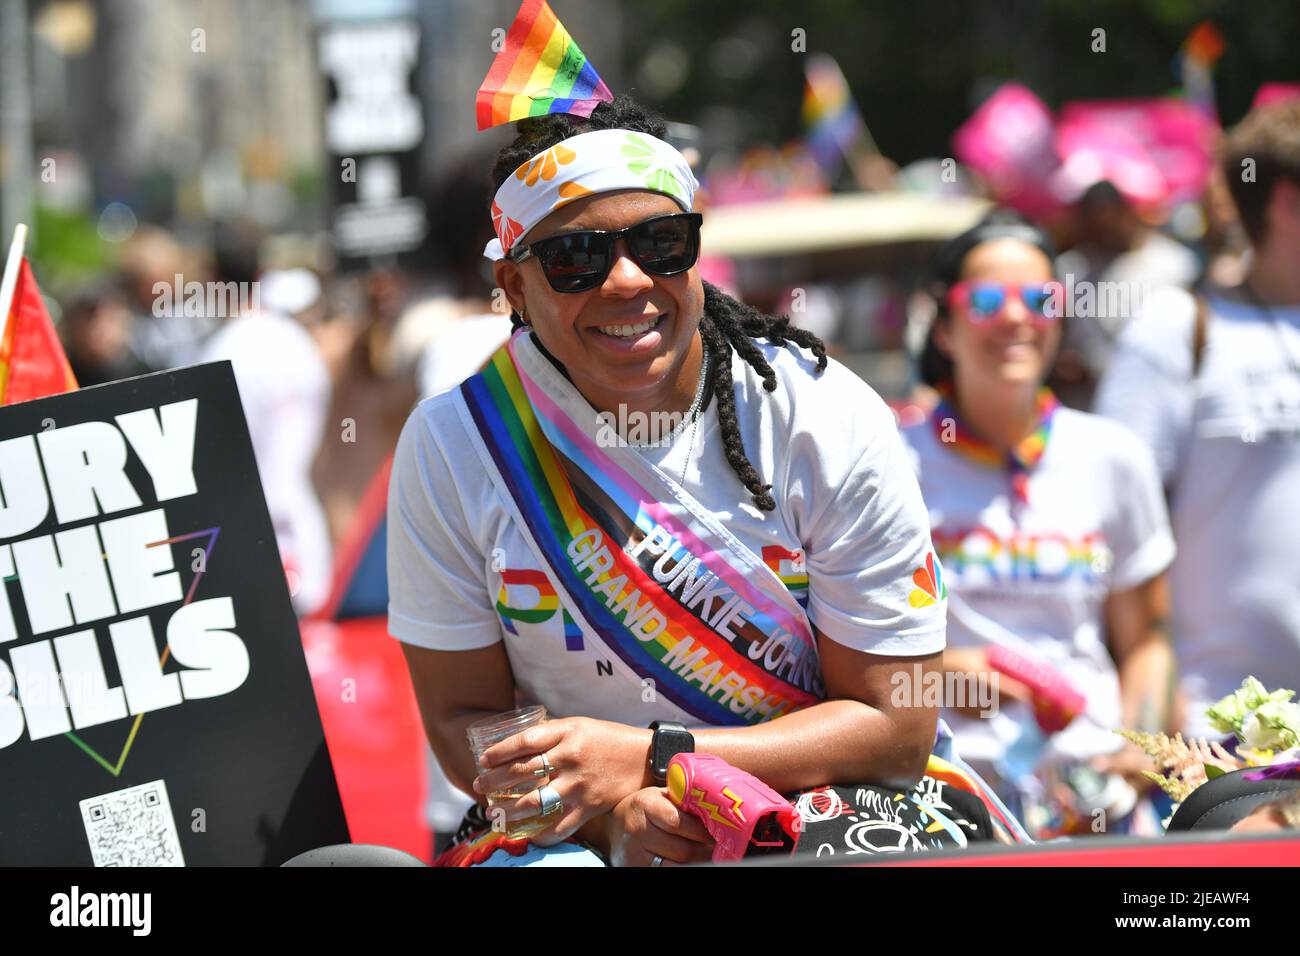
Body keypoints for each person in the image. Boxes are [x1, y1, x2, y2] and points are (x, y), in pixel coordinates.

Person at [387, 96, 954, 867]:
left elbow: (896, 730)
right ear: (513, 287)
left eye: (660, 242)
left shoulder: (824, 416)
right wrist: (611, 817)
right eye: (575, 257)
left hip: (827, 800)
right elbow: (465, 719)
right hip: (573, 825)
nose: (626, 281)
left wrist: (659, 761)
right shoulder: (455, 443)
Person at [901, 211, 1177, 835]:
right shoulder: (888, 461)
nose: (1017, 318)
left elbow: (1148, 639)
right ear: (944, 325)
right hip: (949, 794)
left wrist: (1143, 747)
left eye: (1041, 298)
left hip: (1097, 795)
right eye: (988, 300)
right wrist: (941, 673)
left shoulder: (1114, 456)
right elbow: (838, 651)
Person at [1095, 99, 1300, 739]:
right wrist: (1151, 724)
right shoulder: (1176, 330)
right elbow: (1112, 529)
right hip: (1221, 744)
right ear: (1289, 204)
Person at [1051, 181, 1198, 410]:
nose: (1105, 232)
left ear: (1127, 215)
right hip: (1088, 402)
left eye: (1110, 222)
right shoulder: (1068, 270)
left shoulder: (1173, 264)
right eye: (1096, 225)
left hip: (1157, 393)